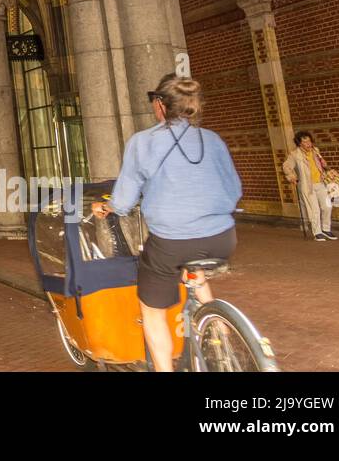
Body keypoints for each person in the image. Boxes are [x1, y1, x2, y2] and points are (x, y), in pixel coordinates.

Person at [91, 74, 242, 373]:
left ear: (160, 104)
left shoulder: (142, 142)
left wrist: (106, 208)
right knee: (197, 266)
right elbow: (235, 188)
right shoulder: (213, 139)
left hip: (172, 242)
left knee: (152, 309)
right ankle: (221, 331)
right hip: (223, 237)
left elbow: (123, 200)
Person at [283, 131, 338, 241]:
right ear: (299, 143)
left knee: (327, 206)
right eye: (305, 142)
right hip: (308, 186)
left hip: (321, 183)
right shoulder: (295, 155)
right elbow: (286, 166)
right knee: (314, 210)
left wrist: (324, 164)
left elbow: (321, 165)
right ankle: (317, 232)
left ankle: (326, 229)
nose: (308, 143)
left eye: (309, 141)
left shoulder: (316, 151)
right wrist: (292, 176)